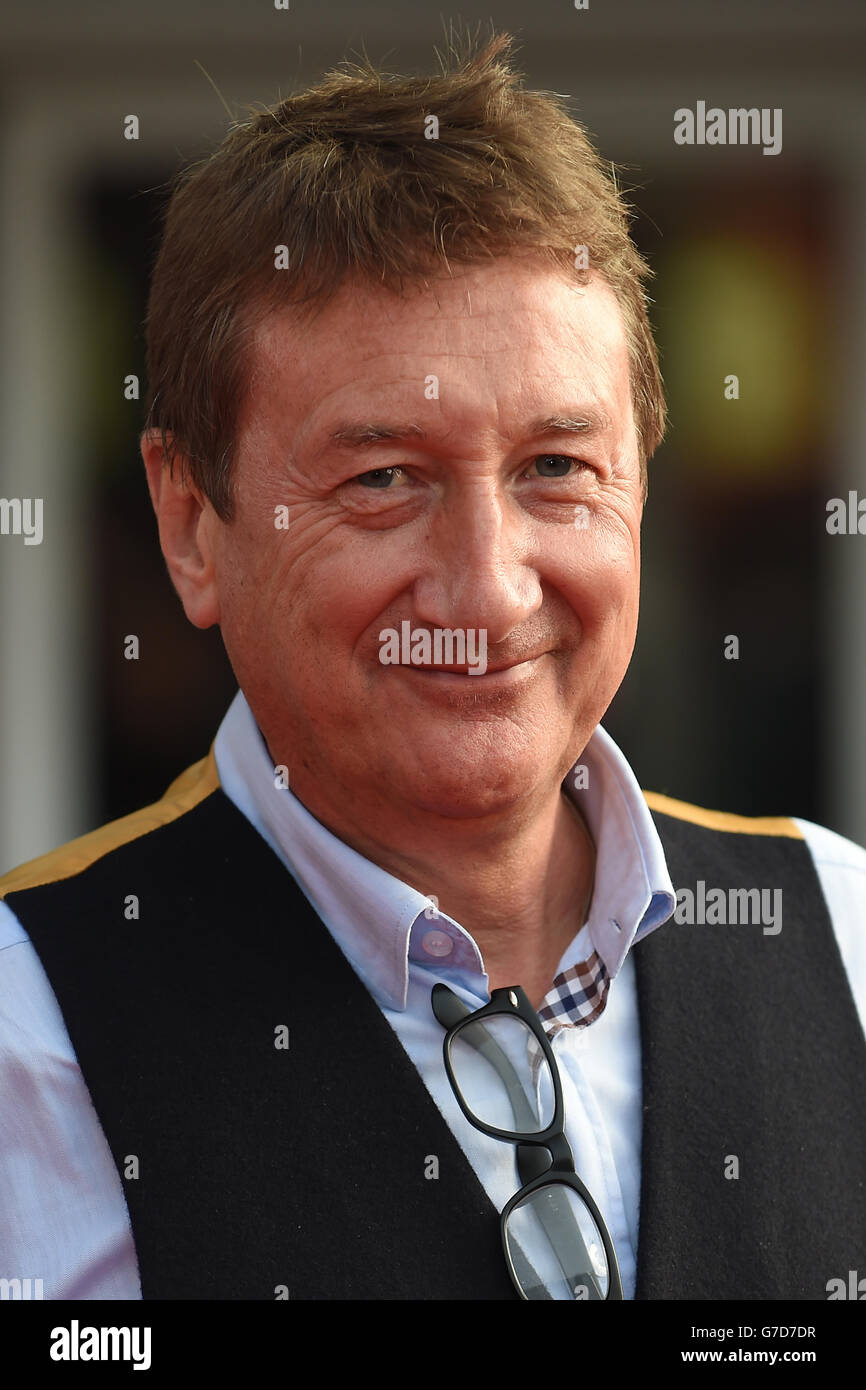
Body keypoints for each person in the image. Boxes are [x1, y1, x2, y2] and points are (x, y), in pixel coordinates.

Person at [1, 32, 864, 1302]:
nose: (487, 586)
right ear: (192, 522)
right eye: (382, 478)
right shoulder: (33, 1034)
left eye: (555, 468)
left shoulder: (840, 934)